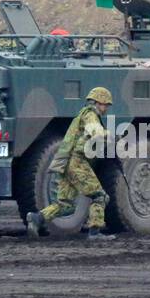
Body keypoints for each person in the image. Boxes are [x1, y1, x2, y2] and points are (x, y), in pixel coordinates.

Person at [26, 86, 115, 241]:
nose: (106, 108)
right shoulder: (90, 115)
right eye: (105, 104)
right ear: (98, 102)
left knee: (66, 205)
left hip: (67, 164)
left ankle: (36, 218)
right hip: (77, 162)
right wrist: (111, 136)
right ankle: (94, 233)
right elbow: (96, 133)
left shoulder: (82, 115)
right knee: (99, 196)